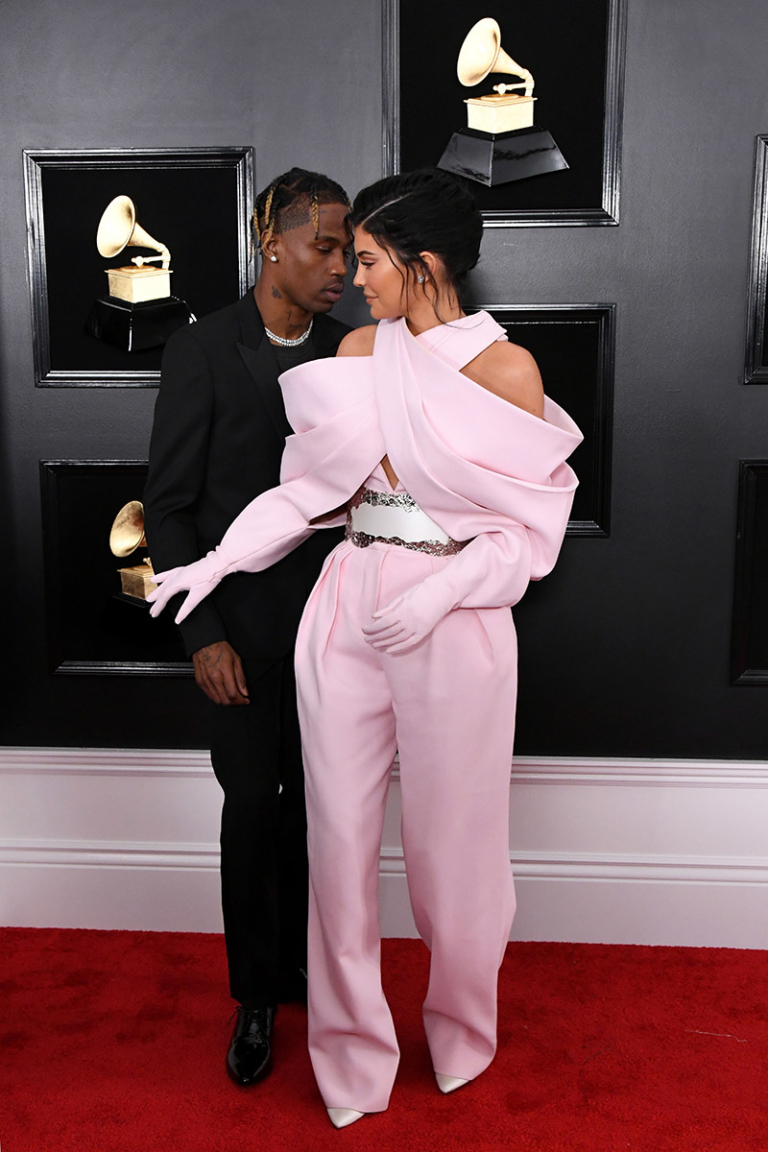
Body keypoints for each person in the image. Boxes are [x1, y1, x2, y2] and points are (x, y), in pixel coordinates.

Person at [147, 168, 582, 1126]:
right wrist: (212, 566)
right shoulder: (358, 348)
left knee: (453, 854)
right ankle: (349, 1059)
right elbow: (309, 494)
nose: (357, 276)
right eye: (350, 255)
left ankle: (464, 1030)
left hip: (454, 617)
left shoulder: (508, 372)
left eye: (374, 259)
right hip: (345, 605)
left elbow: (528, 538)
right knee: (335, 845)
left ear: (425, 266)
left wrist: (444, 596)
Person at [142, 168, 352, 1088]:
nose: (342, 264)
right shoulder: (201, 349)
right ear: (274, 245)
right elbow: (171, 508)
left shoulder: (355, 352)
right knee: (253, 815)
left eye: (349, 249)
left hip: (335, 634)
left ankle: (311, 971)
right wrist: (205, 638)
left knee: (323, 815)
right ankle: (256, 998)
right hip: (239, 637)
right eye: (326, 246)